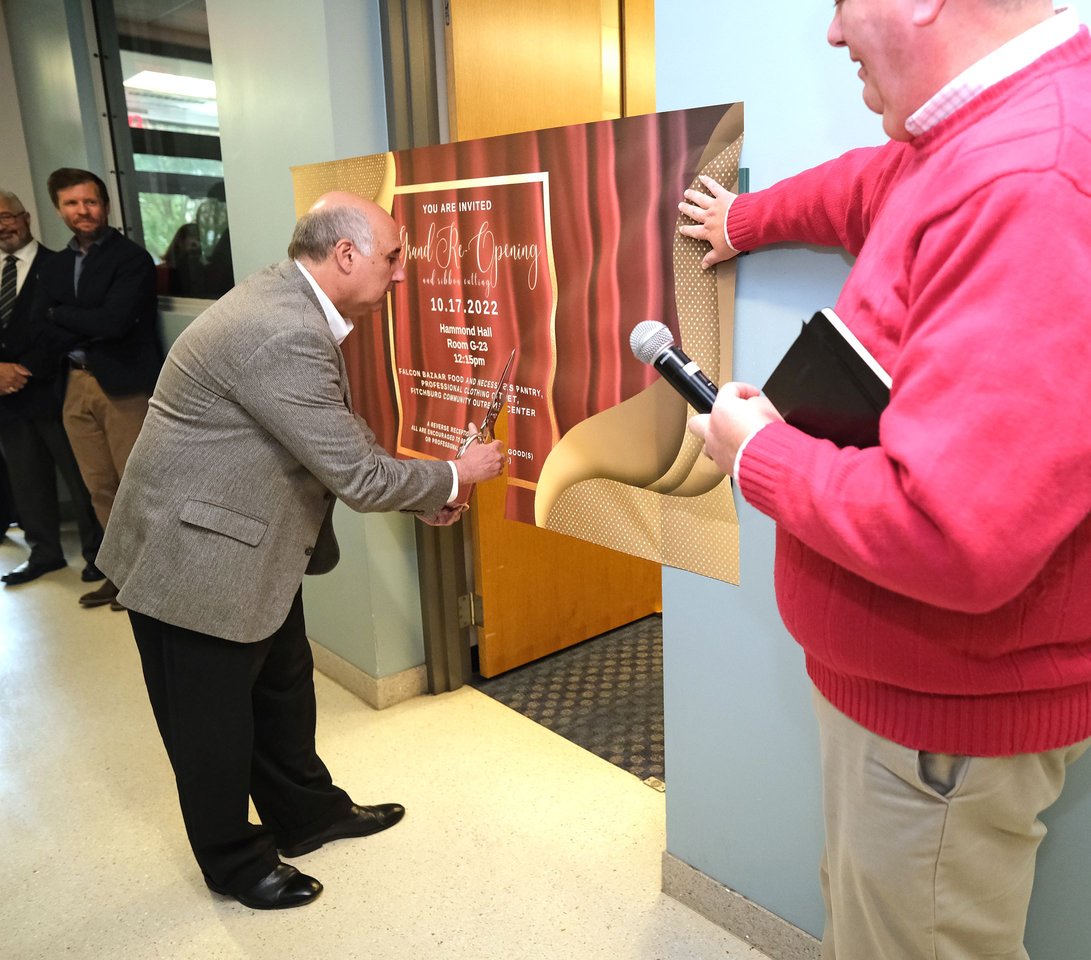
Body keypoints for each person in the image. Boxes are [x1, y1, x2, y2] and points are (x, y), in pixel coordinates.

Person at [678, 2, 1091, 958]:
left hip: (942, 729)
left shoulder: (1031, 180)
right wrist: (745, 218)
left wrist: (755, 451)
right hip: (907, 708)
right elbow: (868, 187)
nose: (828, 33)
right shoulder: (963, 140)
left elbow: (953, 539)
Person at [95, 191, 505, 911]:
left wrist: (425, 491)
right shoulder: (280, 329)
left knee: (282, 691)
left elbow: (328, 443)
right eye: (393, 255)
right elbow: (353, 470)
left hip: (251, 548)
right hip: (195, 559)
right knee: (213, 727)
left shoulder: (290, 301)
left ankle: (309, 815)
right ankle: (234, 862)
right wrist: (452, 474)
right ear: (344, 255)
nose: (402, 272)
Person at [36, 168, 162, 609]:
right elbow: (42, 324)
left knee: (135, 485)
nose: (82, 211)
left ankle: (151, 582)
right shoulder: (54, 264)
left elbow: (114, 322)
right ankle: (121, 576)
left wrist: (60, 314)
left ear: (105, 205)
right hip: (73, 384)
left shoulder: (131, 259)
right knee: (99, 487)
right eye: (72, 203)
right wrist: (69, 318)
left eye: (90, 202)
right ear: (59, 209)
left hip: (123, 387)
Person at [0, 189, 103, 586]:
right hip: (7, 402)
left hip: (53, 388)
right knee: (26, 480)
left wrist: (23, 368)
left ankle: (98, 554)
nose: (5, 225)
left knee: (82, 478)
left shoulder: (59, 265)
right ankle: (44, 553)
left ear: (26, 217)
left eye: (10, 216)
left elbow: (64, 324)